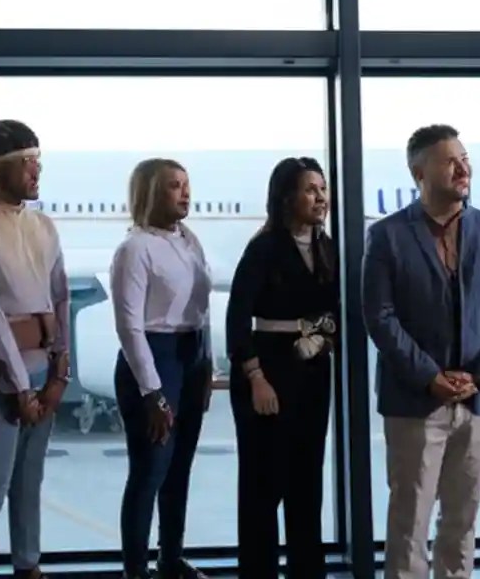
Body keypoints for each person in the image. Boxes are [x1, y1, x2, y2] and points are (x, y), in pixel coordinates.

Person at [363, 124, 480, 579]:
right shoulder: (388, 236)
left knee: (463, 518)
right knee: (409, 519)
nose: (462, 166)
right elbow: (380, 316)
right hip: (416, 400)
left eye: (465, 157)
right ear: (419, 171)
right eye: (449, 160)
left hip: (479, 396)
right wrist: (429, 376)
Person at [0, 120, 71, 579]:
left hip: (42, 372)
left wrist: (60, 372)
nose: (35, 172)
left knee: (30, 483)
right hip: (0, 380)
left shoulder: (43, 224)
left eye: (37, 162)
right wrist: (20, 388)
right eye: (26, 163)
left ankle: (28, 566)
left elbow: (60, 296)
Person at [227, 157, 338, 578]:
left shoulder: (326, 247)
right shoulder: (264, 247)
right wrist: (256, 377)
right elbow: (238, 319)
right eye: (311, 189)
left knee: (307, 484)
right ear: (287, 197)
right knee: (262, 486)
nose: (321, 197)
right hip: (269, 373)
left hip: (312, 375)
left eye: (322, 189)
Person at [110, 158, 214, 579]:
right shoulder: (134, 249)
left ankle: (170, 558)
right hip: (154, 357)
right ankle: (135, 571)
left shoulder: (189, 239)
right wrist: (152, 392)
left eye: (187, 184)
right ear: (152, 192)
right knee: (150, 469)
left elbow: (200, 309)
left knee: (179, 467)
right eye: (175, 186)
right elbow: (128, 325)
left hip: (190, 356)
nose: (185, 193)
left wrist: (205, 366)